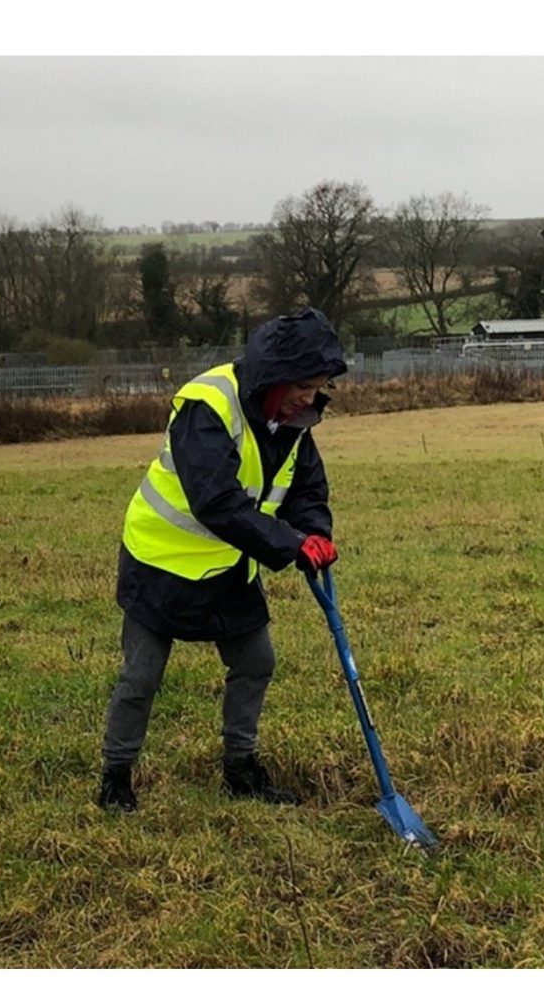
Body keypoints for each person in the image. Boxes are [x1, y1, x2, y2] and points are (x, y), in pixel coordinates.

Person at [98, 307, 353, 812]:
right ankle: (115, 776)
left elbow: (306, 489)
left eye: (320, 385)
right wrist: (287, 545)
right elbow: (214, 500)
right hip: (161, 562)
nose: (311, 396)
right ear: (275, 377)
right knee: (142, 675)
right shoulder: (208, 404)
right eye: (304, 384)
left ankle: (241, 770)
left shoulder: (294, 420)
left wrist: (315, 533)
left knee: (257, 662)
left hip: (230, 567)